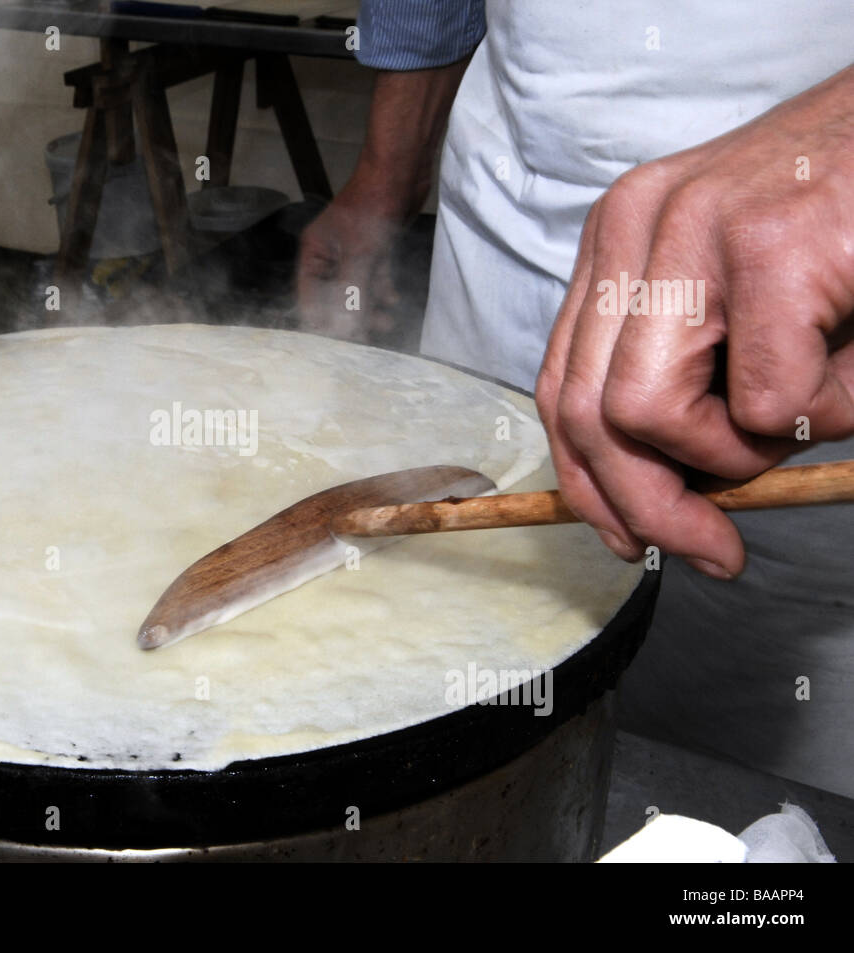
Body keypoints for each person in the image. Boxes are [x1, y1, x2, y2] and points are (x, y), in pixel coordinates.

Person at [298, 0, 854, 797]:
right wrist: (387, 176)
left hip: (812, 261)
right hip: (508, 215)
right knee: (457, 696)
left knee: (755, 800)